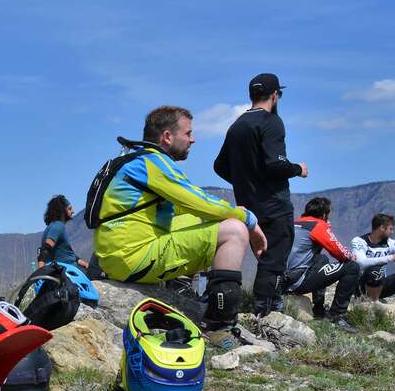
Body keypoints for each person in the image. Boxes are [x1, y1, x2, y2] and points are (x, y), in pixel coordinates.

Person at [93, 106, 266, 350]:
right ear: (167, 136)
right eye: (188, 133)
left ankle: (194, 293)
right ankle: (217, 327)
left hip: (120, 254)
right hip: (134, 257)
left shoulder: (139, 159)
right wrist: (249, 219)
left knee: (210, 221)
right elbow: (199, 202)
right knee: (235, 230)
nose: (193, 139)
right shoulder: (154, 162)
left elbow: (188, 210)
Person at [214, 73, 308, 317]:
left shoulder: (237, 125)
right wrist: (298, 169)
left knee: (263, 256)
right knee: (274, 258)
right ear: (275, 96)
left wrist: (247, 182)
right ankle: (266, 313)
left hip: (247, 204)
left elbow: (220, 166)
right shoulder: (271, 122)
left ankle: (258, 308)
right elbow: (275, 164)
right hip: (274, 204)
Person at [283, 197, 359, 332]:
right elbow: (339, 252)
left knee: (321, 259)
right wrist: (351, 255)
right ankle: (337, 315)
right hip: (297, 282)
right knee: (352, 267)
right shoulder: (318, 225)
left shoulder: (294, 223)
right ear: (324, 214)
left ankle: (318, 308)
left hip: (281, 280)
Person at [37, 195, 89, 270]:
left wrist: (85, 264)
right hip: (67, 271)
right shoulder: (57, 226)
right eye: (70, 209)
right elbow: (45, 249)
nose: (73, 211)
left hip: (70, 267)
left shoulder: (55, 226)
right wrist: (40, 271)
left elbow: (66, 253)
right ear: (62, 211)